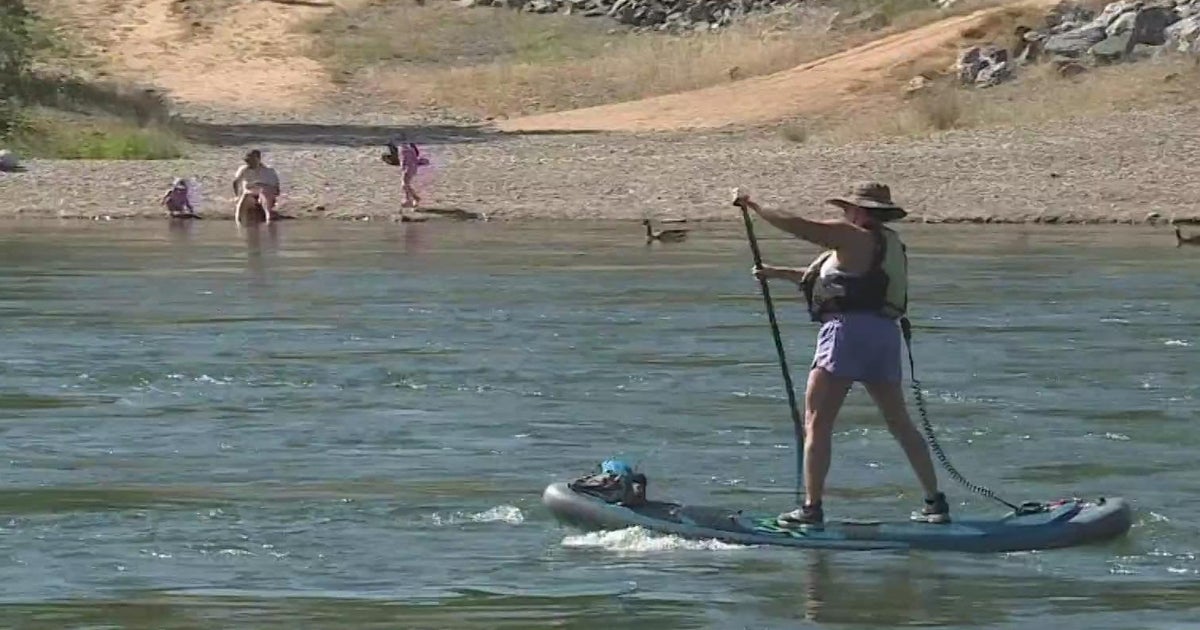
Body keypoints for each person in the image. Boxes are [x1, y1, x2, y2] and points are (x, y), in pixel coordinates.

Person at [731, 182, 950, 528]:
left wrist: (754, 205)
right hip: (884, 337)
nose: (846, 214)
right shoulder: (886, 242)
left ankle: (811, 509)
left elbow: (799, 227)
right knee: (900, 423)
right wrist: (776, 274)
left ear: (860, 212)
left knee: (817, 422)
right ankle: (935, 503)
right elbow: (836, 281)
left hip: (845, 334)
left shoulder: (850, 235)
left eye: (849, 209)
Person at [232, 149, 281, 224]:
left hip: (265, 195)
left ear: (258, 159)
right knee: (246, 195)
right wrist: (237, 196)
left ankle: (269, 219)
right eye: (248, 160)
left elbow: (276, 188)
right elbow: (235, 182)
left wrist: (273, 196)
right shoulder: (243, 170)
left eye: (252, 160)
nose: (249, 162)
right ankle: (239, 220)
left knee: (263, 192)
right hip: (250, 194)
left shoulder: (269, 170)